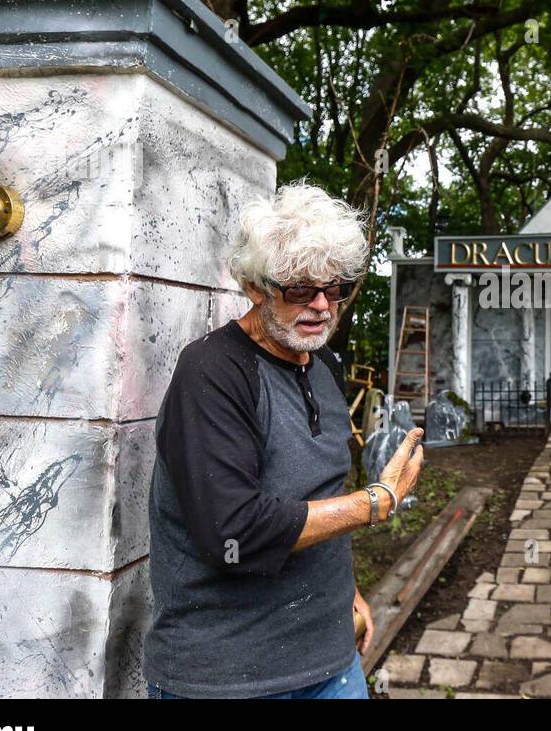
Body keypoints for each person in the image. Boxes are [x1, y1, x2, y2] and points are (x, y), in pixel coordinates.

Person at [143, 181, 423, 699]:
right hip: (228, 677)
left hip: (331, 661)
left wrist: (348, 591)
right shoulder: (212, 371)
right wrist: (377, 502)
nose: (321, 306)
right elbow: (235, 533)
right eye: (299, 289)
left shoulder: (325, 368)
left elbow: (322, 491)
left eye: (334, 288)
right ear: (254, 286)